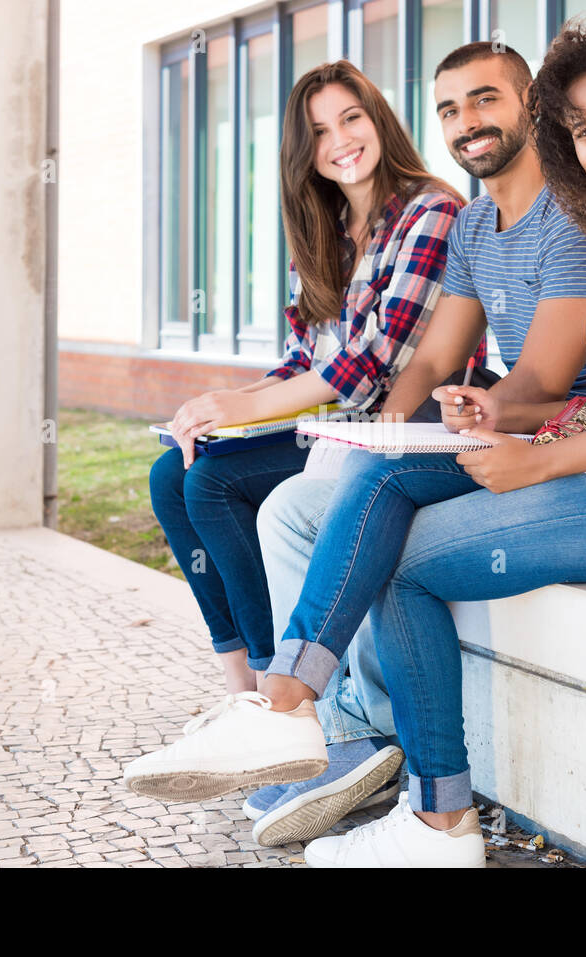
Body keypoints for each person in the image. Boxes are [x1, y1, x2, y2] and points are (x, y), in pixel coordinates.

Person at [128, 13, 586, 868]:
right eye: (584, 128)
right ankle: (316, 728)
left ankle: (387, 778)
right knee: (385, 490)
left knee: (394, 549)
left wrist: (540, 454)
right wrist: (484, 417)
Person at [242, 42, 586, 847]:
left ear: (530, 106)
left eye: (485, 101)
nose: (467, 123)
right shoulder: (476, 223)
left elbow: (544, 379)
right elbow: (436, 355)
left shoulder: (571, 217)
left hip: (565, 441)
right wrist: (391, 431)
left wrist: (477, 410)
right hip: (500, 428)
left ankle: (300, 708)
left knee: (383, 530)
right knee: (294, 506)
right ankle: (336, 731)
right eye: (449, 109)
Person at [146, 60, 463, 710]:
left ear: (377, 118)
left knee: (214, 483)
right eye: (319, 132)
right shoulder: (325, 230)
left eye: (351, 118)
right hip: (326, 423)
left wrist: (240, 403)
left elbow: (370, 367)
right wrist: (220, 410)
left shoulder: (430, 211)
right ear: (303, 151)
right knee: (169, 475)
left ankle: (276, 697)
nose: (341, 140)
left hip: (394, 425)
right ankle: (238, 692)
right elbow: (299, 365)